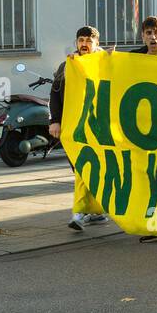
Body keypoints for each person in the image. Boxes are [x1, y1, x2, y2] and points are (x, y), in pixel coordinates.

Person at [49, 26, 111, 233]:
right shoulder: (67, 66)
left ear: (97, 44)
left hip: (98, 127)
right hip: (73, 127)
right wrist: (55, 121)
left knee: (86, 167)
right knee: (80, 168)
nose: (84, 44)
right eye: (81, 40)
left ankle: (80, 212)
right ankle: (96, 211)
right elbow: (55, 95)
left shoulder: (107, 64)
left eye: (89, 40)